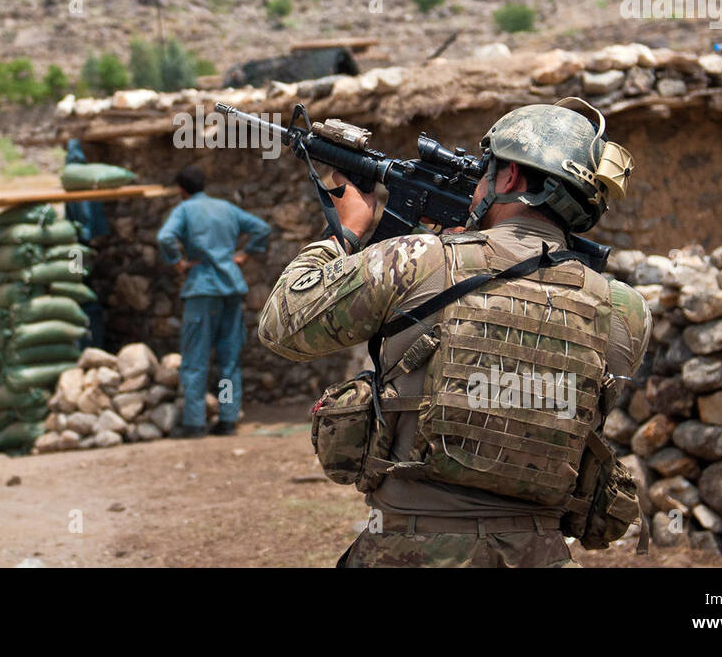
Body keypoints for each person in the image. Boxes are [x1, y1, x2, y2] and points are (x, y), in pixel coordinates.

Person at [258, 99, 651, 567]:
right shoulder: (624, 309)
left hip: (408, 551)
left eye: (487, 169)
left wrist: (347, 233)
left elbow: (281, 323)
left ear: (509, 179)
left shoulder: (417, 259)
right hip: (541, 554)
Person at [157, 164, 271, 438]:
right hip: (231, 287)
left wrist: (179, 263)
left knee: (195, 359)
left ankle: (194, 423)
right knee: (229, 359)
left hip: (202, 288)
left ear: (181, 190)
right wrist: (245, 254)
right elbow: (262, 228)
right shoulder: (226, 208)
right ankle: (228, 418)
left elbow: (165, 237)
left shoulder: (184, 209)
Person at [63, 138, 110, 350]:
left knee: (80, 291)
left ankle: (87, 344)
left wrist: (87, 235)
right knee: (82, 291)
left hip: (77, 246)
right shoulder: (83, 180)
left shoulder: (75, 180)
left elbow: (83, 217)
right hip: (80, 245)